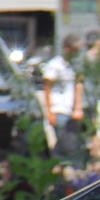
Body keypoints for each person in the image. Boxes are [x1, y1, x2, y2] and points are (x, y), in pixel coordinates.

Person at [42, 33, 86, 168]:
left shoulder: (75, 65)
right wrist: (49, 112)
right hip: (59, 109)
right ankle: (68, 174)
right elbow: (47, 89)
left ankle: (61, 173)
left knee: (69, 144)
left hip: (71, 111)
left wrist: (78, 108)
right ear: (67, 48)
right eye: (75, 50)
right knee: (68, 145)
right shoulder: (55, 65)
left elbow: (79, 86)